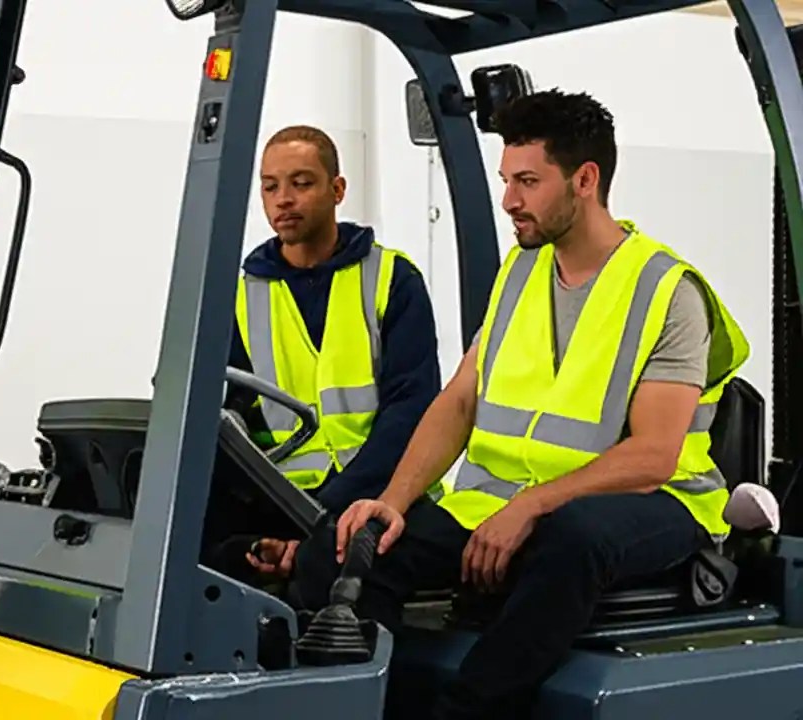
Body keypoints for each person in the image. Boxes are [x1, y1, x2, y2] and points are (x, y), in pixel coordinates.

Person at [248, 90, 749, 718]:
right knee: (345, 543)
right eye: (506, 180)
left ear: (585, 180)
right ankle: (371, 702)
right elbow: (460, 401)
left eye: (528, 181)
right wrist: (391, 503)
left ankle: (469, 709)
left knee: (571, 542)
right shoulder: (521, 271)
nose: (510, 200)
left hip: (656, 501)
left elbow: (652, 454)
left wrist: (531, 508)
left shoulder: (665, 292)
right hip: (510, 497)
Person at [226, 125, 441, 518]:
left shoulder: (392, 280)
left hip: (381, 493)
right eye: (270, 188)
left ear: (337, 190)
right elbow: (228, 411)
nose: (284, 200)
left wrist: (324, 510)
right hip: (282, 497)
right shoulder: (242, 296)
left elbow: (410, 410)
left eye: (302, 183)